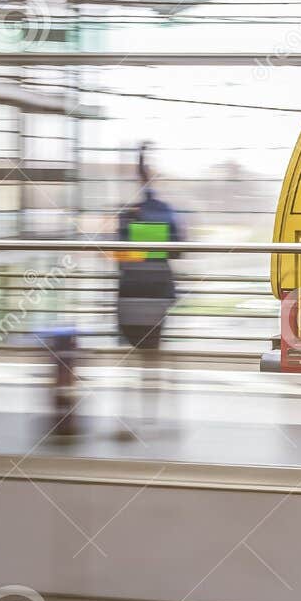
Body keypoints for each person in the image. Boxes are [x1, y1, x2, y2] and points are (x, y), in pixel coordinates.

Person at [114, 143, 186, 437]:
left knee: (134, 358)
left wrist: (139, 251)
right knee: (152, 358)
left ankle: (131, 421)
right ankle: (154, 419)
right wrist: (154, 251)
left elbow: (121, 254)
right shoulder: (165, 212)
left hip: (131, 291)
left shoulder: (127, 214)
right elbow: (177, 251)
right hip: (157, 291)